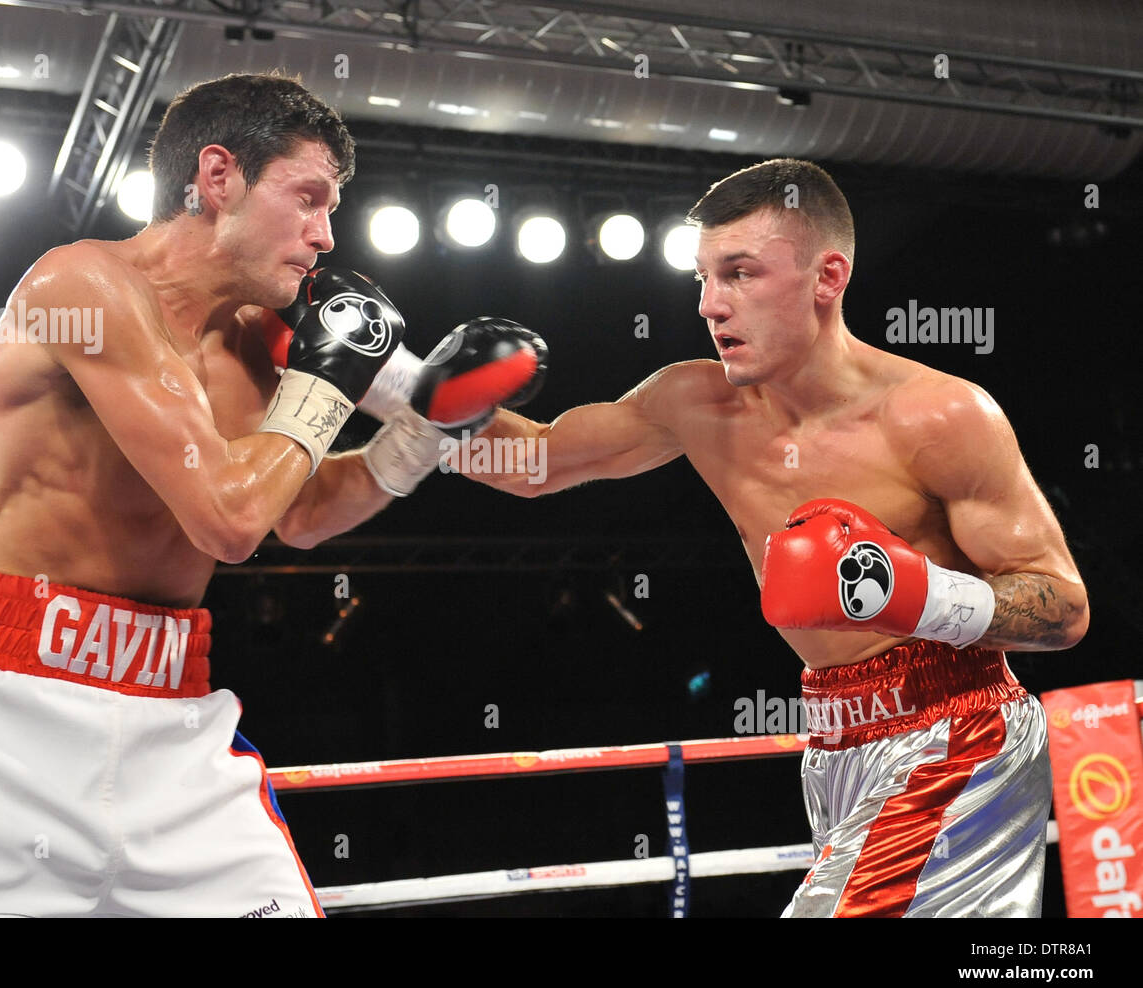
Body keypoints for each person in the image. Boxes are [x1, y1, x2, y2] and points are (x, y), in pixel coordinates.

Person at [0, 71, 544, 918]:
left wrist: (421, 434)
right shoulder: (82, 288)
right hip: (5, 709)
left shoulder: (255, 338)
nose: (326, 236)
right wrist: (328, 387)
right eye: (309, 198)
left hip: (174, 716)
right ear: (219, 178)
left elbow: (304, 510)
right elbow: (229, 517)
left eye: (334, 209)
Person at [435, 158, 1088, 917]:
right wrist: (395, 385)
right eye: (702, 279)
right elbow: (534, 463)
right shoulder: (692, 400)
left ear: (827, 276)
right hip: (833, 746)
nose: (712, 305)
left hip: (959, 732)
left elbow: (1064, 608)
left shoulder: (938, 416)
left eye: (740, 274)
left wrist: (915, 594)